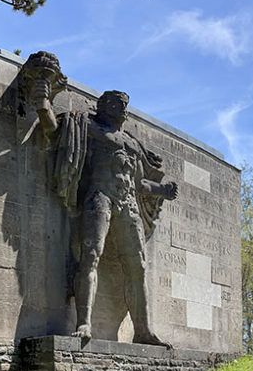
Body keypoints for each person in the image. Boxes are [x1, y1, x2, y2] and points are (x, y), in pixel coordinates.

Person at [22, 51, 177, 346]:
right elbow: (52, 131)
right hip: (99, 198)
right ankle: (84, 323)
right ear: (103, 106)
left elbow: (139, 183)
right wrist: (44, 101)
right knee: (90, 256)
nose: (123, 108)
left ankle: (143, 331)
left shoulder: (132, 143)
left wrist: (163, 191)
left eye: (124, 104)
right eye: (117, 103)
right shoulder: (87, 127)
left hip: (128, 204)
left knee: (138, 267)